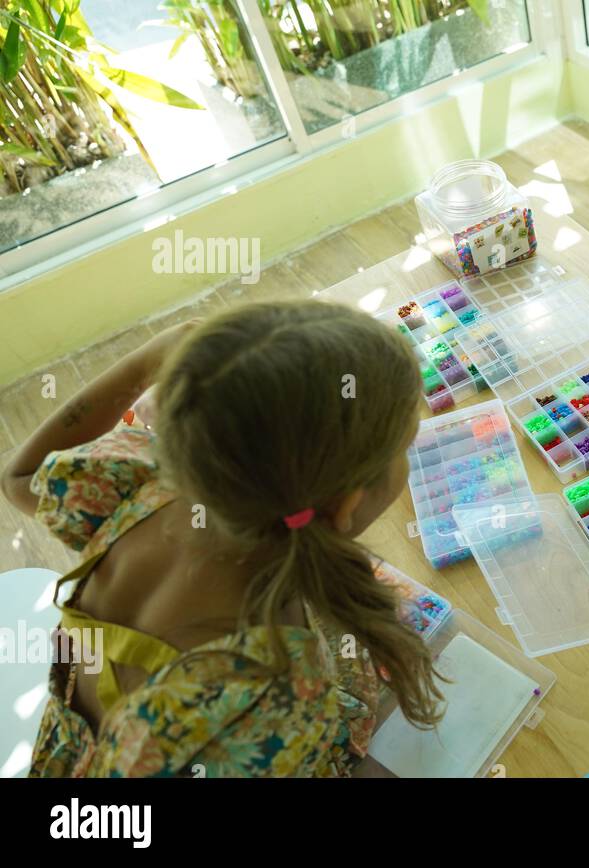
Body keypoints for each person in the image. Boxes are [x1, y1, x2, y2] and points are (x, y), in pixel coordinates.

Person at [2, 301, 441, 776]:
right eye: (404, 446)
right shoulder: (271, 693)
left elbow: (19, 478)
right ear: (348, 504)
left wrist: (145, 361)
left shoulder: (145, 476)